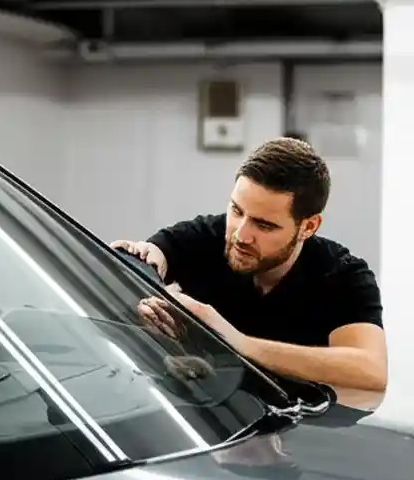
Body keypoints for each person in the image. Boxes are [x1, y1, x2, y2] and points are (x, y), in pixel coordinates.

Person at [111, 137, 388, 393]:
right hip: (207, 421)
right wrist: (143, 264)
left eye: (264, 225)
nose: (241, 235)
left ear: (308, 226)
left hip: (299, 432)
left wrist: (237, 342)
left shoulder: (342, 275)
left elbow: (370, 370)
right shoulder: (210, 235)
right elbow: (157, 254)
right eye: (236, 210)